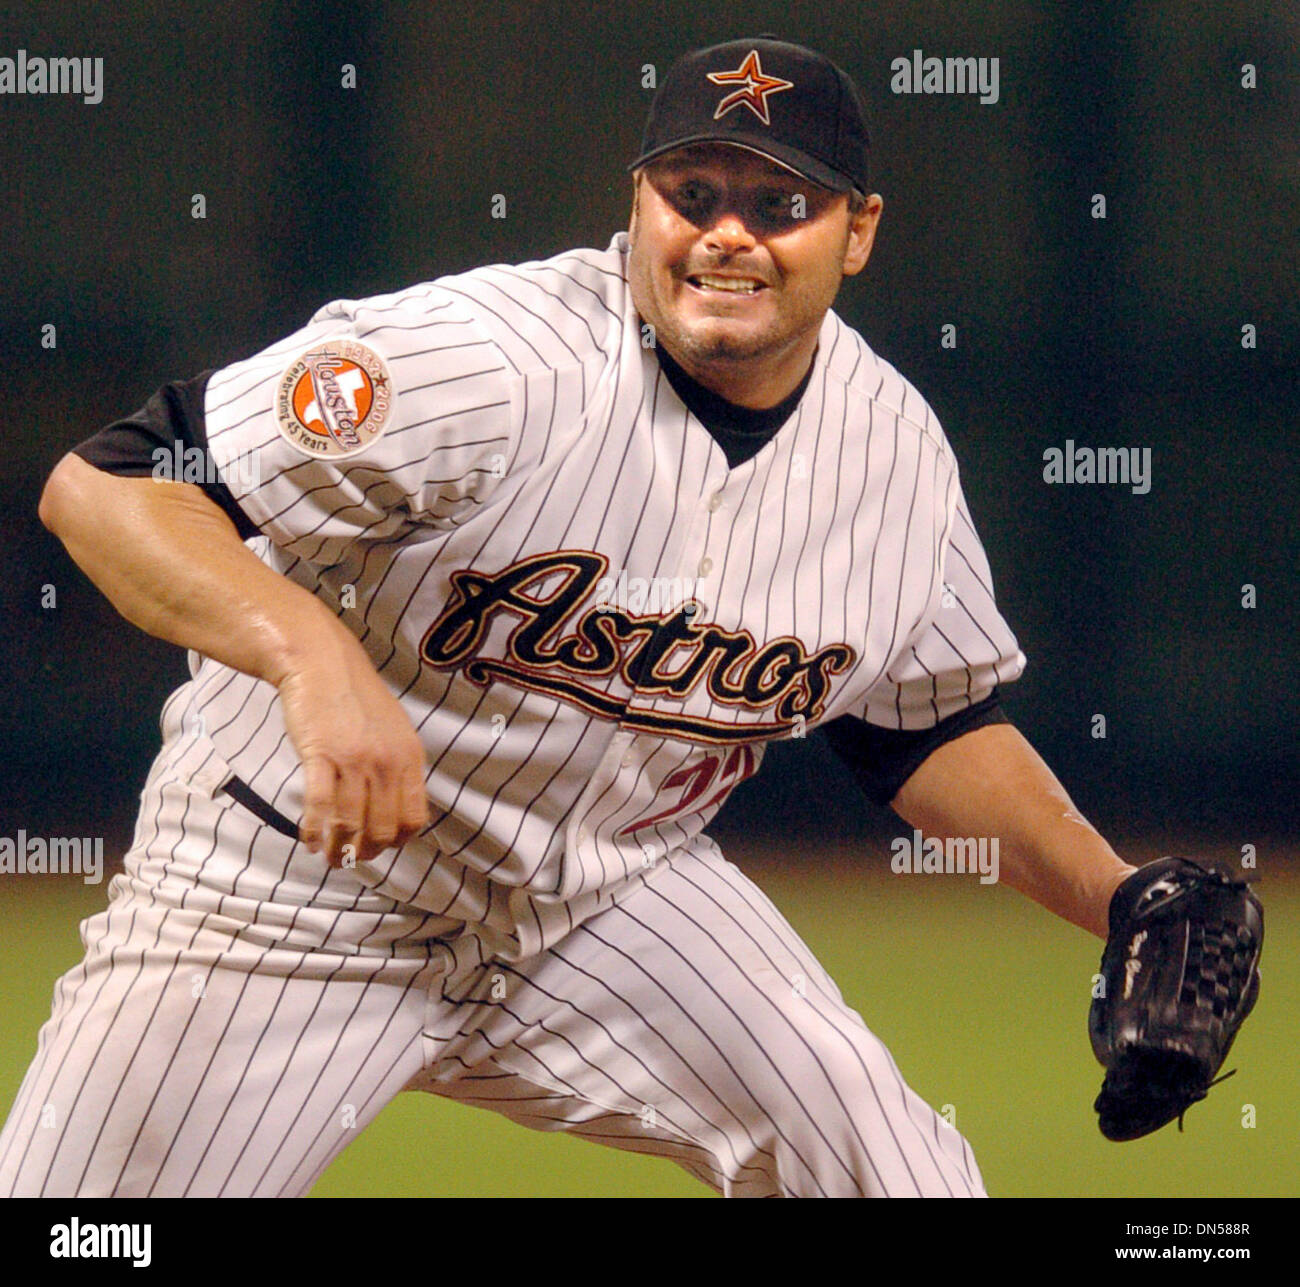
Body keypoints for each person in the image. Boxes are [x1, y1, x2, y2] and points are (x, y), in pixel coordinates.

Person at [5, 36, 1138, 1198]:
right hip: (287, 890)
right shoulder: (486, 362)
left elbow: (923, 727)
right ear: (636, 207)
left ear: (857, 232)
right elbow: (107, 484)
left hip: (603, 904)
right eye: (690, 195)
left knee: (899, 1174)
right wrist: (307, 657)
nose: (727, 232)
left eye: (779, 202)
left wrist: (1120, 900)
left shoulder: (894, 456)